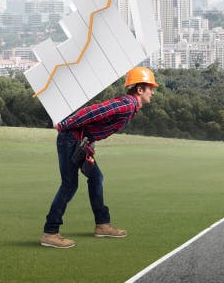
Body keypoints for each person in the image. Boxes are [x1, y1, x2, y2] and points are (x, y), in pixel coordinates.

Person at [40, 67, 158, 249]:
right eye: (150, 87)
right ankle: (50, 232)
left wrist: (90, 142)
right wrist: (64, 125)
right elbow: (93, 111)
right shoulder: (127, 104)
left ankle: (102, 225)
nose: (153, 91)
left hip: (80, 142)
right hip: (70, 139)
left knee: (96, 178)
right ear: (140, 90)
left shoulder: (131, 106)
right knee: (69, 185)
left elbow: (97, 124)